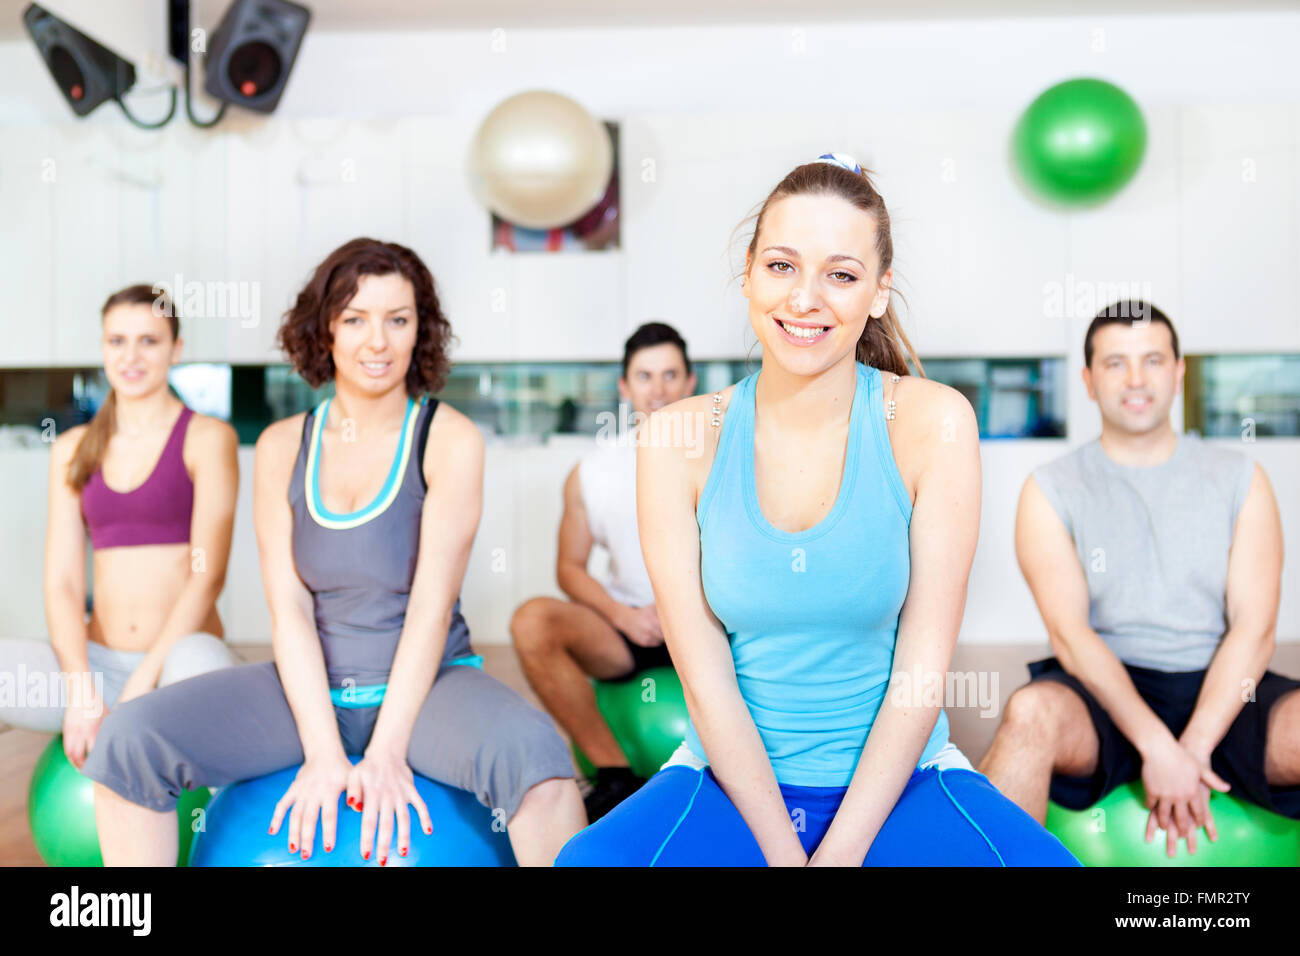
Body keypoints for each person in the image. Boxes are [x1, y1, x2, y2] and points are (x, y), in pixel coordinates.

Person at [555, 154, 1079, 866]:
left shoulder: (933, 423)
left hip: (901, 781)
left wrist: (836, 856)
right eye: (781, 266)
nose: (805, 299)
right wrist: (783, 852)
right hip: (727, 781)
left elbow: (922, 672)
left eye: (840, 274)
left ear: (878, 292)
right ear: (747, 274)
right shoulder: (675, 438)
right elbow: (705, 683)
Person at [82, 239, 585, 866]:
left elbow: (430, 608)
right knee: (130, 741)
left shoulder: (448, 439)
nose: (377, 342)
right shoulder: (279, 446)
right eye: (355, 319)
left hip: (429, 690)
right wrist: (322, 750)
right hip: (306, 692)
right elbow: (288, 607)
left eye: (397, 320)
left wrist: (386, 753)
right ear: (325, 329)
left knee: (538, 762)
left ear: (419, 330)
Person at [978, 301, 1300, 857]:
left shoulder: (1241, 478)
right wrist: (1158, 747)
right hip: (1105, 691)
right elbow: (1071, 636)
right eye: (1114, 363)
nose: (1135, 380)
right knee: (1029, 713)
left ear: (1179, 372)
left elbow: (1254, 628)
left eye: (1152, 360)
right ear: (1087, 379)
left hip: (1224, 688)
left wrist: (1192, 749)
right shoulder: (1050, 488)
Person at [0, 285, 238, 767]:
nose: (131, 356)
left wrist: (140, 687)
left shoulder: (208, 438)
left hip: (177, 666)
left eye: (148, 341)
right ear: (103, 348)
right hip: (98, 666)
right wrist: (82, 689)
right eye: (117, 341)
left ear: (177, 349)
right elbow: (63, 583)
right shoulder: (71, 448)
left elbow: (207, 576)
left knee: (204, 667)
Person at [511, 322, 696, 822]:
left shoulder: (723, 456)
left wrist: (687, 609)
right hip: (627, 630)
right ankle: (615, 775)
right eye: (644, 376)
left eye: (669, 375)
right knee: (532, 621)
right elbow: (569, 569)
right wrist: (624, 615)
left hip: (705, 632)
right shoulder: (594, 469)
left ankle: (737, 780)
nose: (658, 390)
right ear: (624, 386)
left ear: (690, 383)